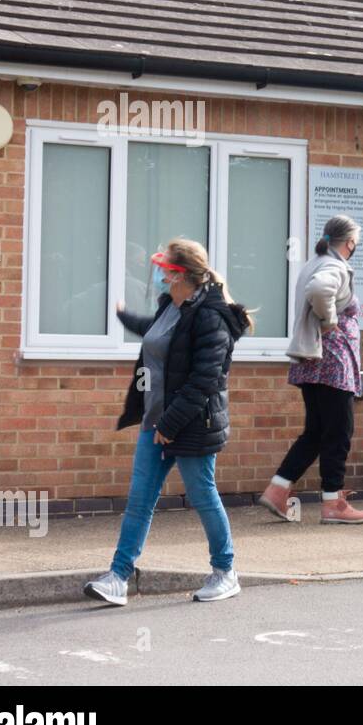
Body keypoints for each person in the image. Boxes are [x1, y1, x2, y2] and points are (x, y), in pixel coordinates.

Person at [84, 238, 252, 606]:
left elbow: (204, 381)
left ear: (179, 275)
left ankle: (226, 572)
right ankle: (118, 577)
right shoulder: (170, 306)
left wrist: (169, 425)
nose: (158, 275)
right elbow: (154, 332)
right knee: (139, 500)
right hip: (155, 422)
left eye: (164, 270)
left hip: (192, 425)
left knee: (202, 496)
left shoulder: (210, 318)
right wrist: (122, 315)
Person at [259, 214, 363, 524]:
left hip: (313, 362)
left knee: (316, 432)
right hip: (332, 362)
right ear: (350, 242)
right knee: (339, 432)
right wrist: (331, 321)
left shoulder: (314, 262)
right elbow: (321, 291)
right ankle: (333, 503)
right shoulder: (334, 266)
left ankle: (278, 490)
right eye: (356, 242)